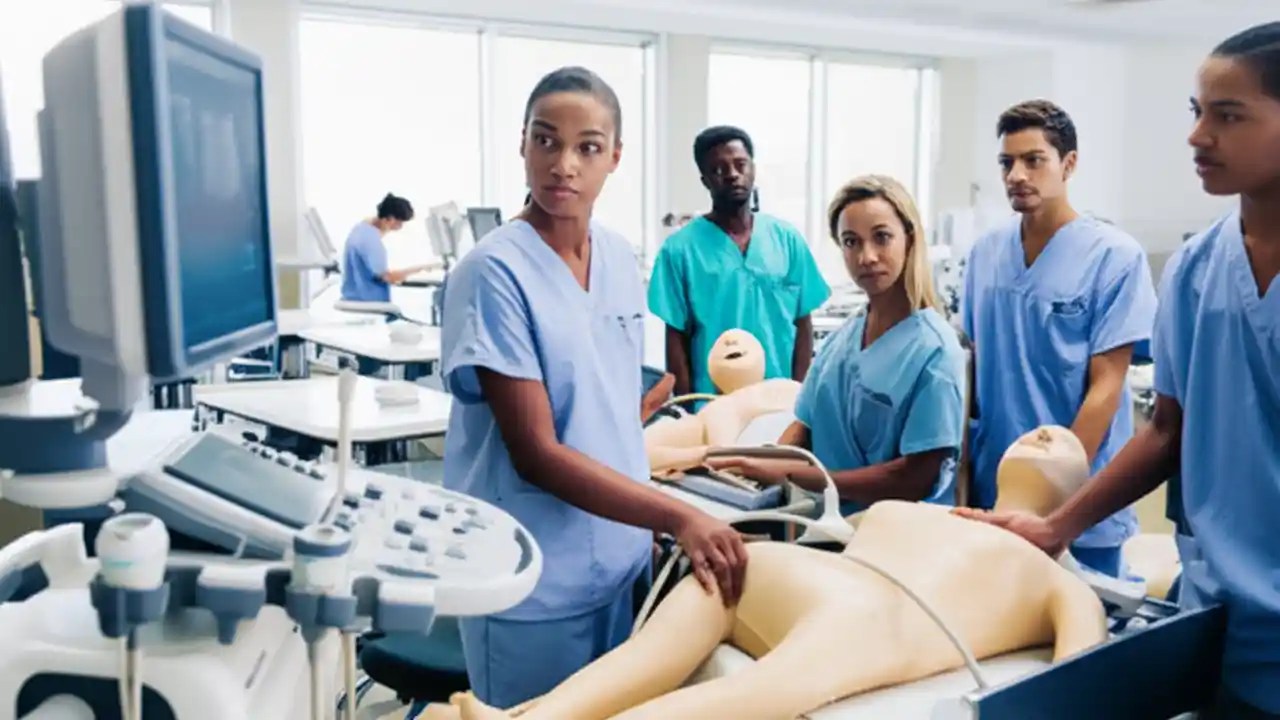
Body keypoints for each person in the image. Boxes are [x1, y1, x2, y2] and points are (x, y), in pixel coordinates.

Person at [958, 22, 1280, 718]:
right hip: (1217, 608)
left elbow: (1109, 387)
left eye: (1228, 116)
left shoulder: (1112, 256)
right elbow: (1165, 430)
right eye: (1197, 113)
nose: (1197, 137)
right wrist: (1056, 525)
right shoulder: (1198, 270)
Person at [416, 426, 1107, 720]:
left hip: (881, 618)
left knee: (766, 685)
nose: (1043, 432)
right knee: (687, 610)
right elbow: (838, 539)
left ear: (1082, 487)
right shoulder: (936, 512)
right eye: (1034, 430)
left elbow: (1080, 681)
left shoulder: (1061, 581)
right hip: (804, 574)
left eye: (1062, 439)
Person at [436, 66, 748, 711]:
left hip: (620, 562)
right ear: (521, 143)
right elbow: (537, 451)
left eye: (588, 147)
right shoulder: (493, 273)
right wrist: (680, 514)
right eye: (546, 141)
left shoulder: (617, 258)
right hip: (528, 580)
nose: (564, 165)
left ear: (615, 157)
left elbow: (607, 404)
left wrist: (648, 511)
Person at [961, 100, 1158, 577]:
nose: (1016, 175)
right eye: (1007, 163)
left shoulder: (1113, 257)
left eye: (1034, 160)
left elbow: (1107, 387)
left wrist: (1057, 502)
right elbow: (973, 372)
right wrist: (967, 483)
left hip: (1079, 506)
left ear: (1068, 164)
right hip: (997, 488)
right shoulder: (986, 254)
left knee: (1086, 636)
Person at [706, 176, 967, 515]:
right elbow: (805, 428)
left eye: (882, 238)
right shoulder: (844, 338)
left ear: (910, 239)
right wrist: (745, 465)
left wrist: (801, 477)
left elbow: (914, 478)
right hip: (828, 525)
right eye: (851, 242)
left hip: (896, 538)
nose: (867, 256)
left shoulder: (935, 351)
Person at [647, 125, 831, 398]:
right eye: (719, 169)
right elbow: (675, 337)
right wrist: (687, 410)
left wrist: (798, 397)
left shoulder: (787, 240)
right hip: (712, 404)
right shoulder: (680, 250)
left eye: (740, 165)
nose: (732, 175)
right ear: (705, 180)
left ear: (753, 169)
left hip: (778, 401)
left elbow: (803, 323)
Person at [339, 193, 435, 302]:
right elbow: (388, 277)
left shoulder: (362, 229)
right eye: (400, 222)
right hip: (368, 300)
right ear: (389, 219)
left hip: (355, 295)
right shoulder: (370, 240)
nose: (400, 227)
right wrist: (421, 269)